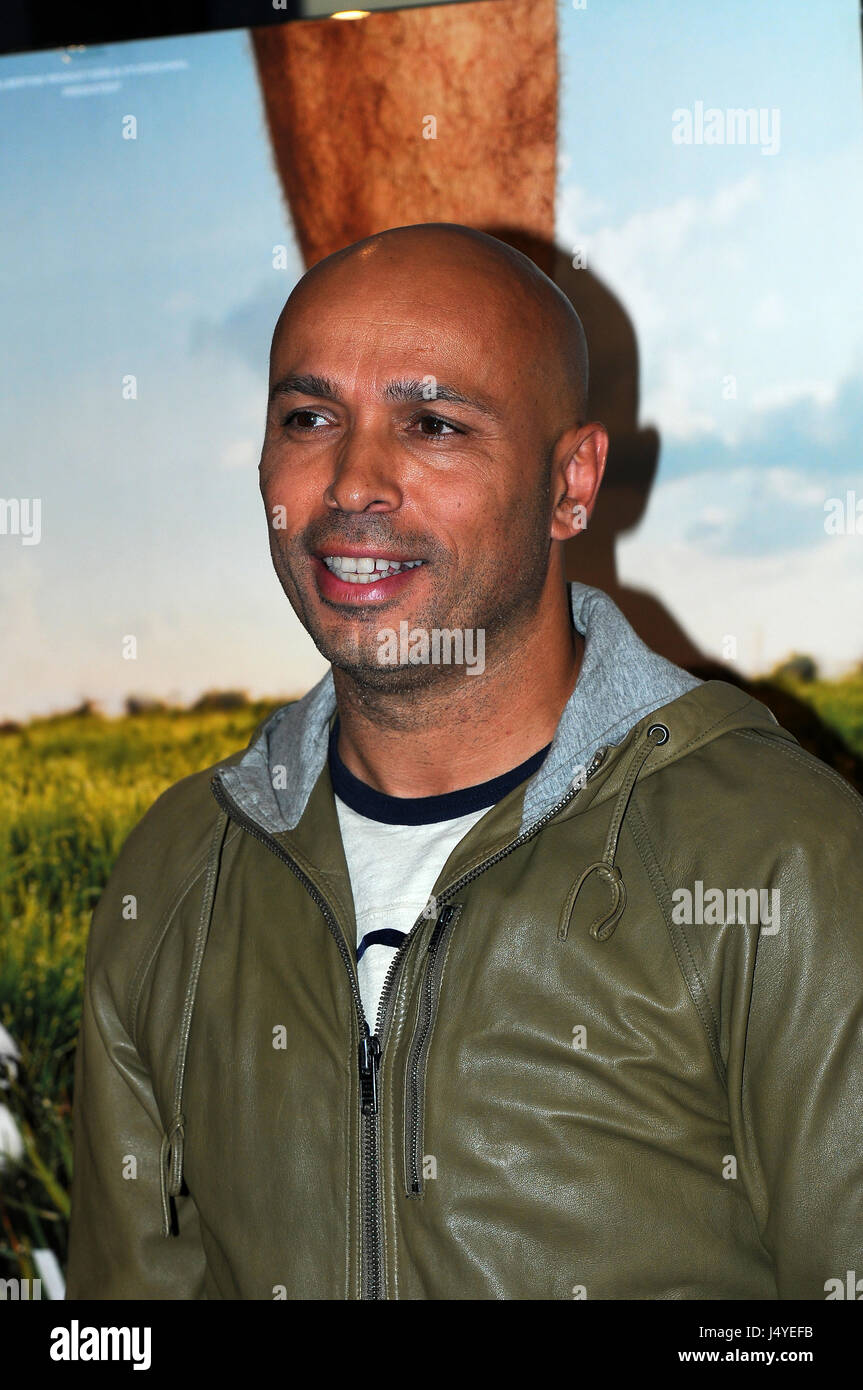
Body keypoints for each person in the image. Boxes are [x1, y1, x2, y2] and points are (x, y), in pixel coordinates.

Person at [66, 224, 863, 1300]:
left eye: (431, 423)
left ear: (571, 482)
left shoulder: (783, 857)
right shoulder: (176, 871)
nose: (353, 481)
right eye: (309, 418)